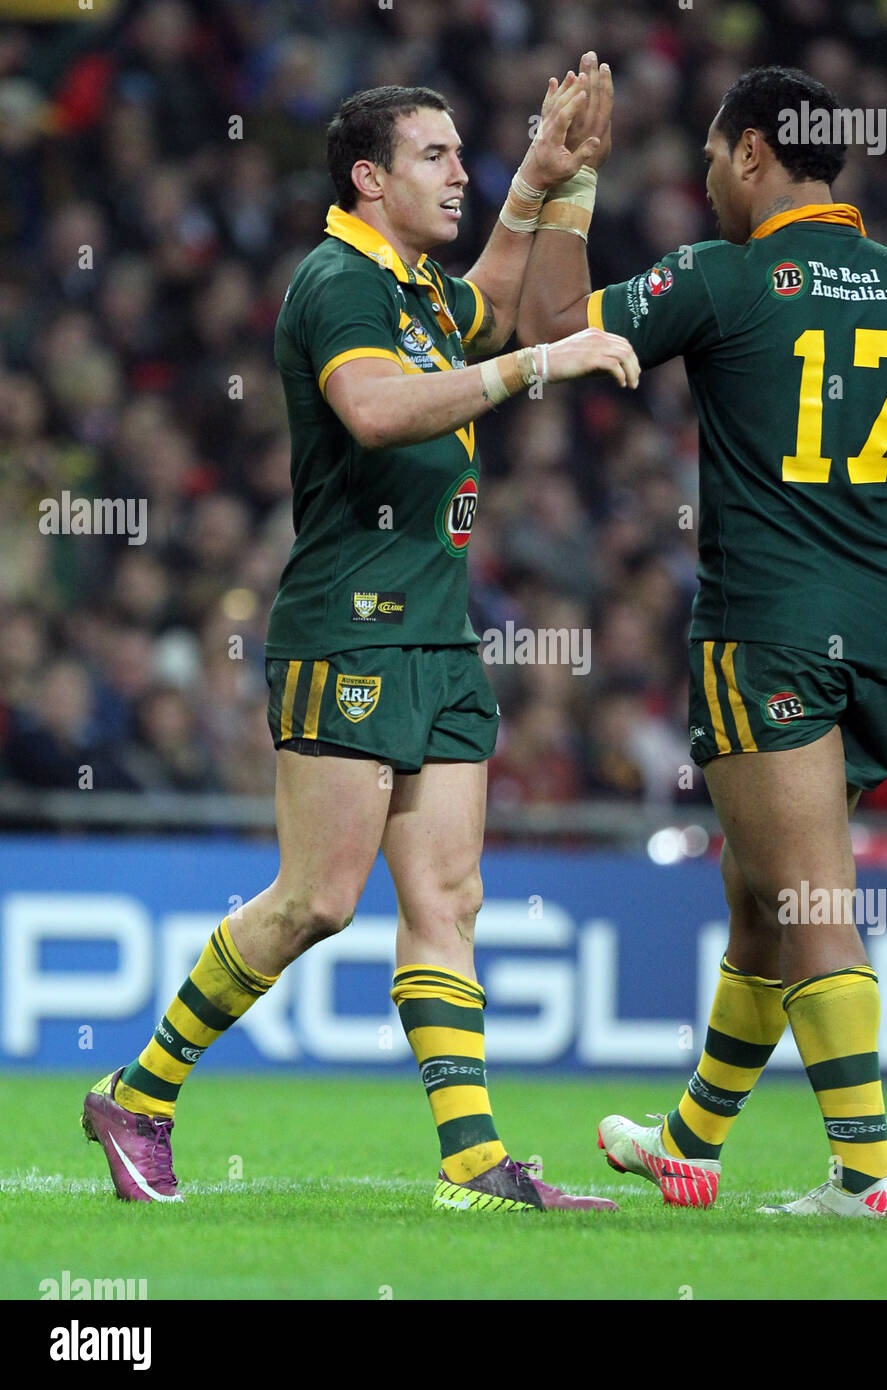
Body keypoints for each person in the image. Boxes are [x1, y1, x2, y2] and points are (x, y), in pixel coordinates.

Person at [83, 66, 640, 1214]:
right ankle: (139, 1092)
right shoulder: (336, 282)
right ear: (369, 176)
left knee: (448, 899)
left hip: (438, 634)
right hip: (349, 630)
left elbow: (487, 306)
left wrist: (545, 175)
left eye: (462, 151)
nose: (460, 171)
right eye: (435, 156)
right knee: (318, 901)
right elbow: (381, 409)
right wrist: (541, 364)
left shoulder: (414, 286)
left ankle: (476, 1166)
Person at [519, 62, 887, 1217]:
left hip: (767, 634)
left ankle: (866, 1173)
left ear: (752, 153)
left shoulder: (728, 276)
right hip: (880, 646)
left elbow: (549, 333)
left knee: (807, 905)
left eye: (708, 155)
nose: (701, 179)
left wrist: (574, 185)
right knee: (761, 898)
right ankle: (692, 1141)